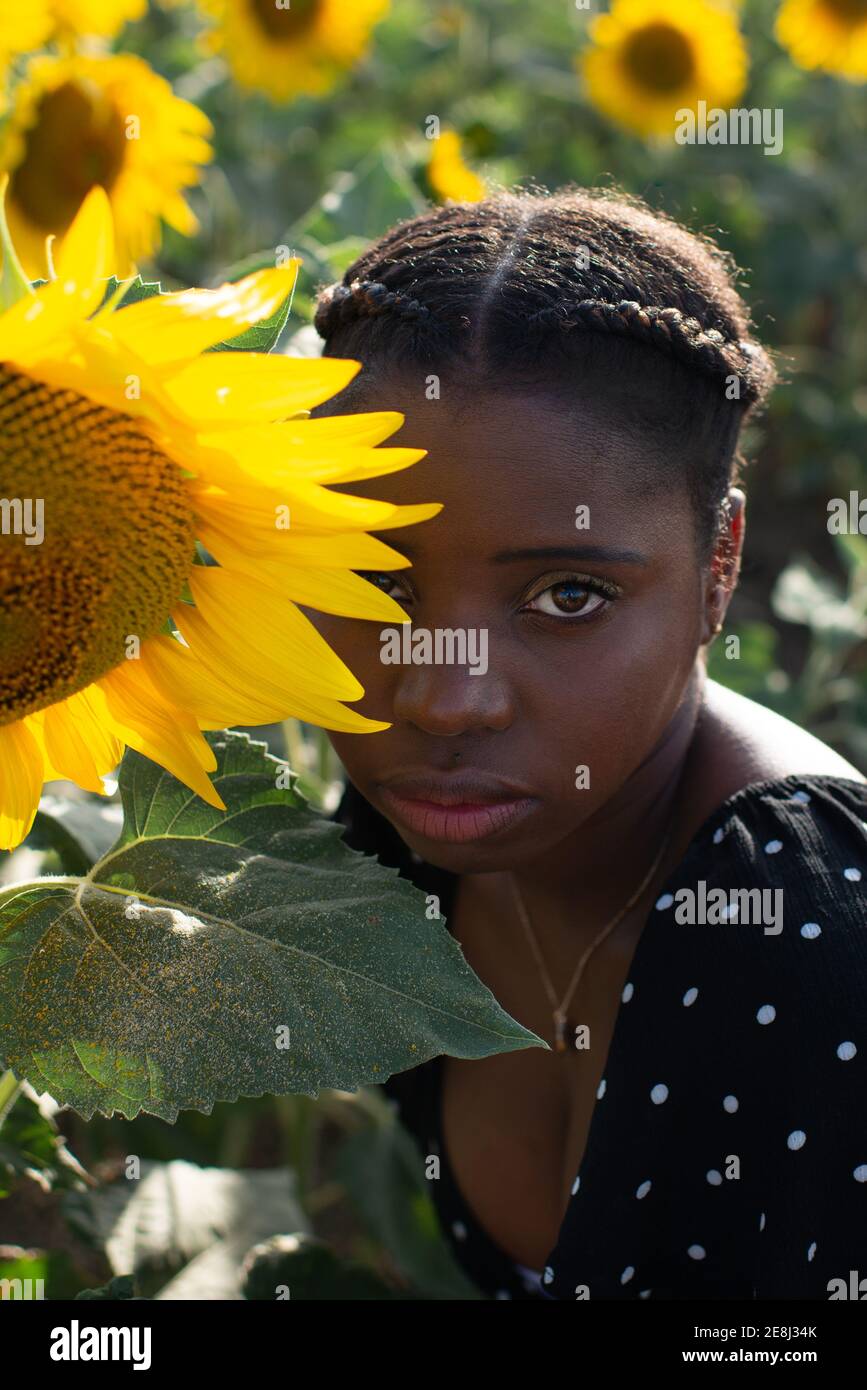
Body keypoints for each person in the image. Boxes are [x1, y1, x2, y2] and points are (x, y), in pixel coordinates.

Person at [307, 187, 867, 1301]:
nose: (444, 699)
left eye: (568, 593)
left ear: (720, 564)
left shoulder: (806, 936)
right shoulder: (392, 846)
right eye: (377, 582)